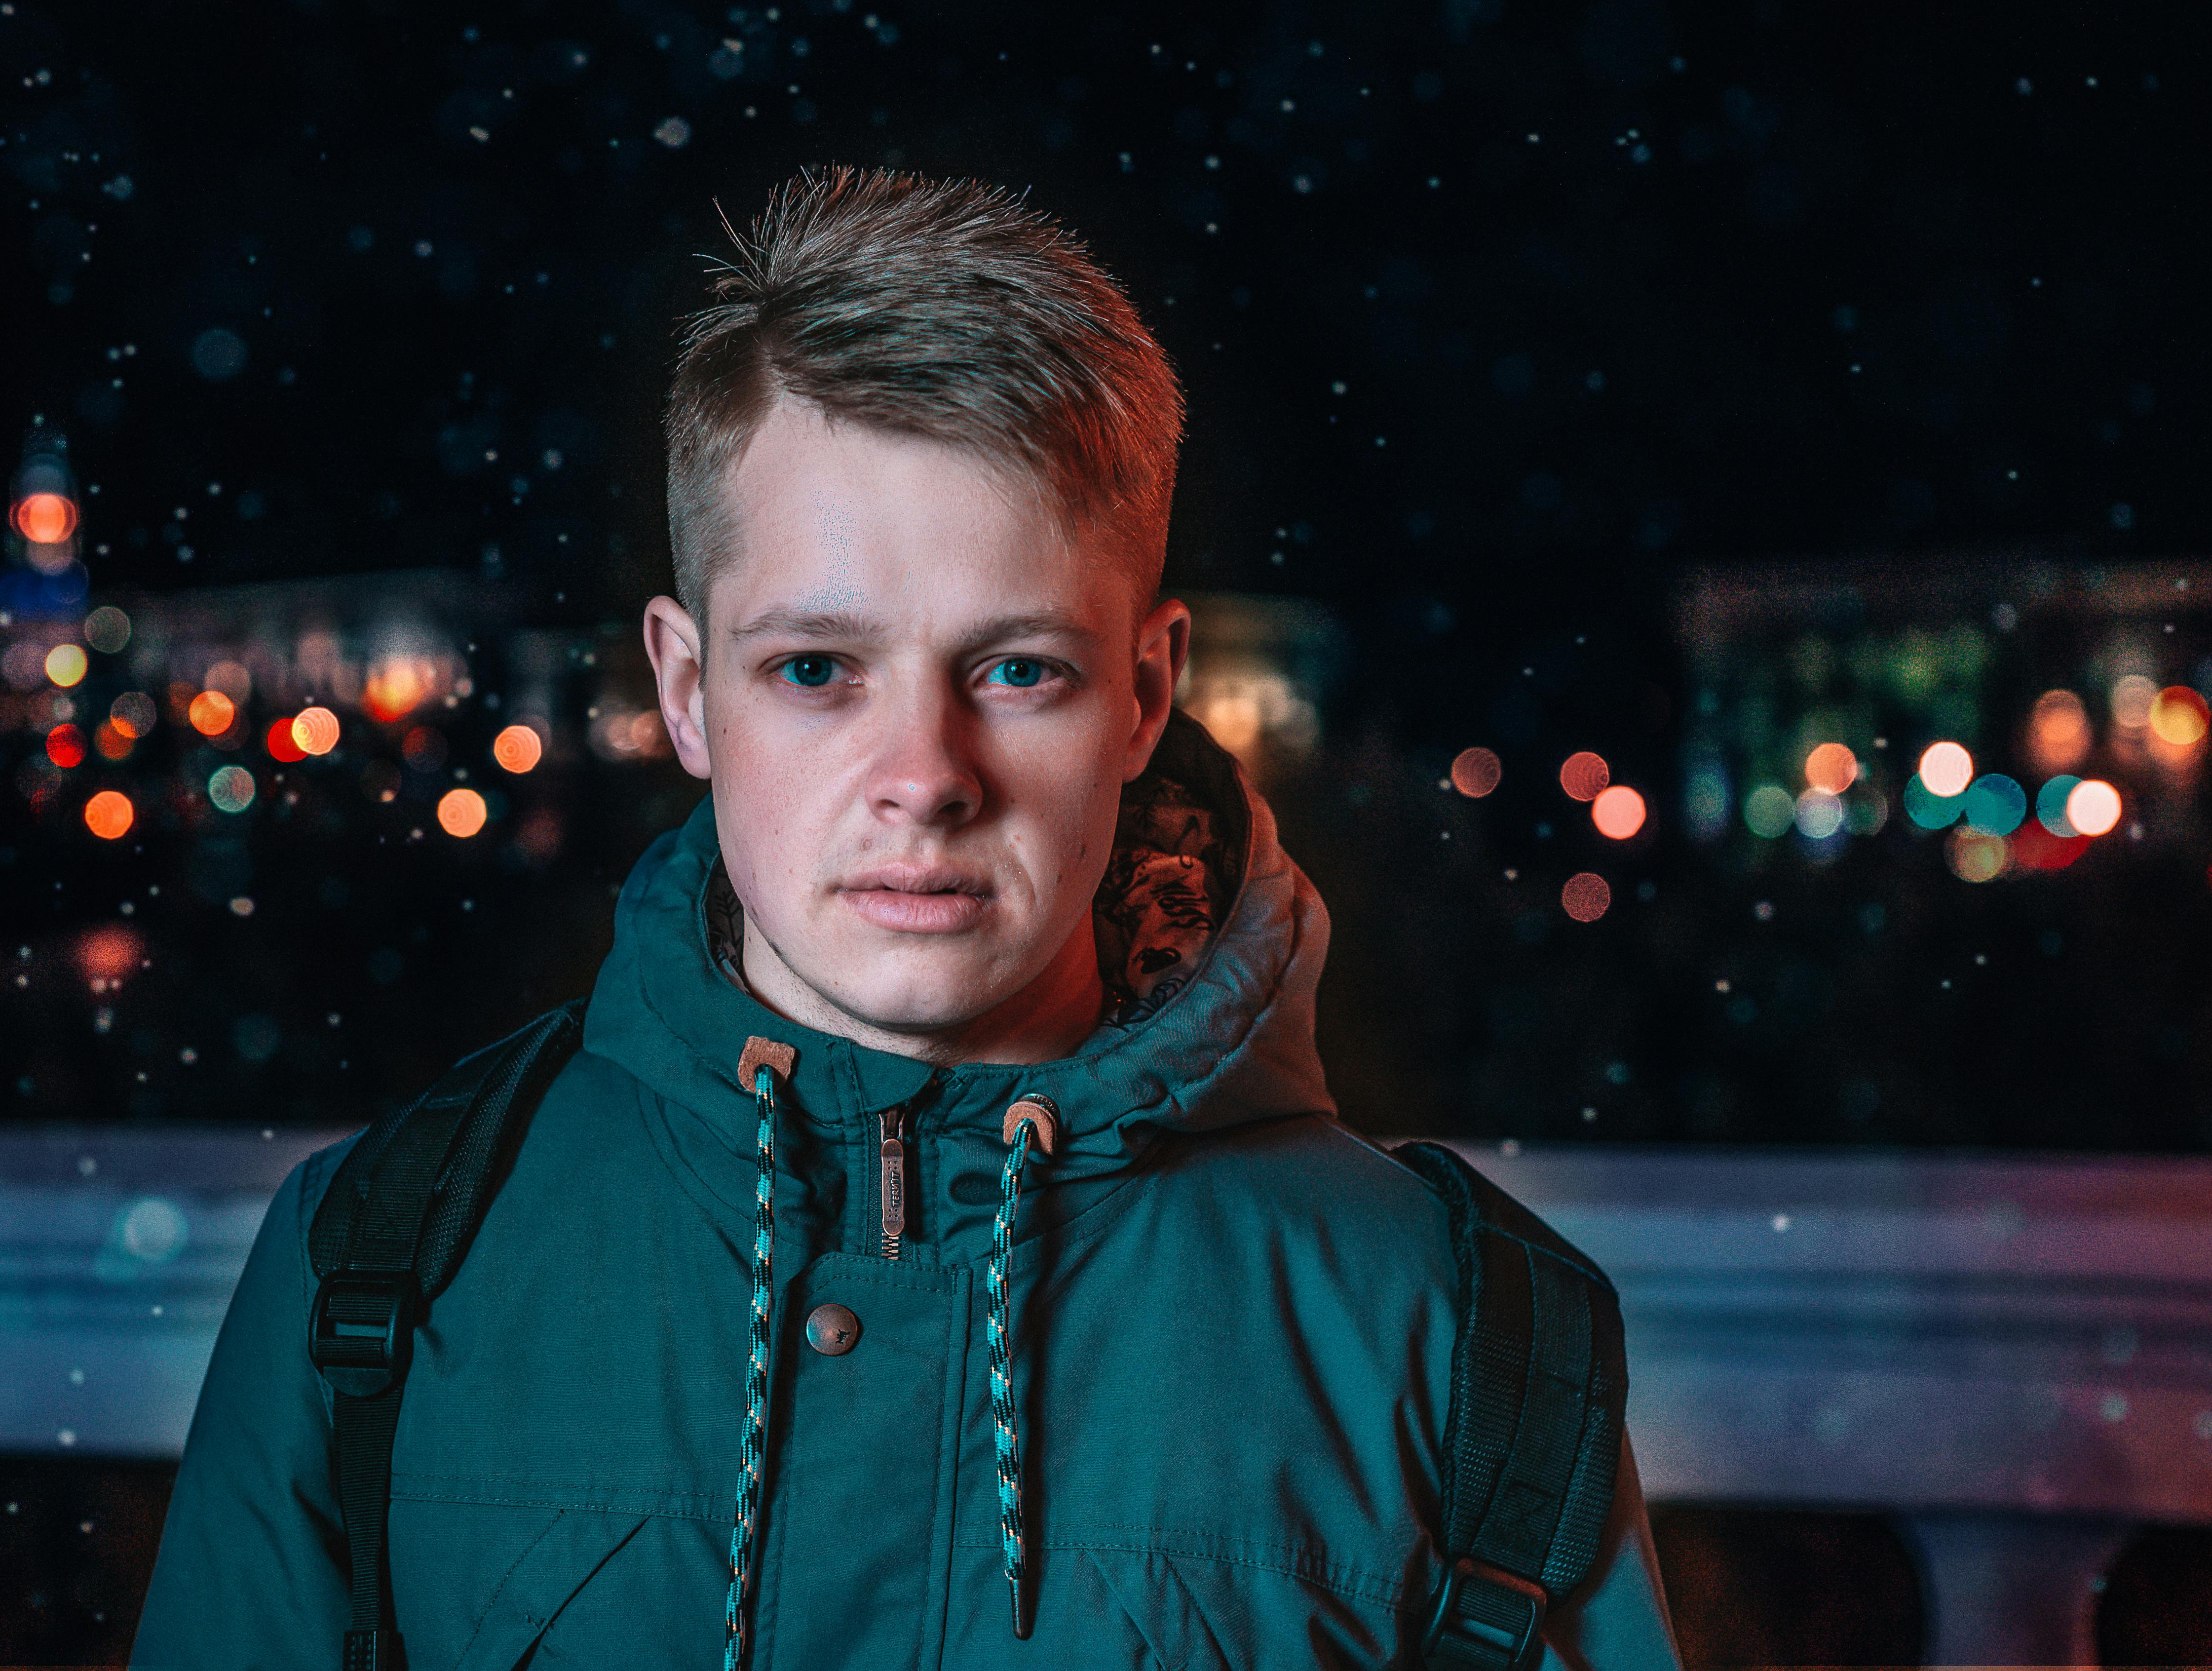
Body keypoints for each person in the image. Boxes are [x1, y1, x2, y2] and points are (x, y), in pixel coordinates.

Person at [131, 168, 1681, 1668]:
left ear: (1145, 694)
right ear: (686, 690)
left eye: (1018, 670)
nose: (925, 781)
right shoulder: (378, 1268)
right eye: (817, 669)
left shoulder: (1463, 1339)